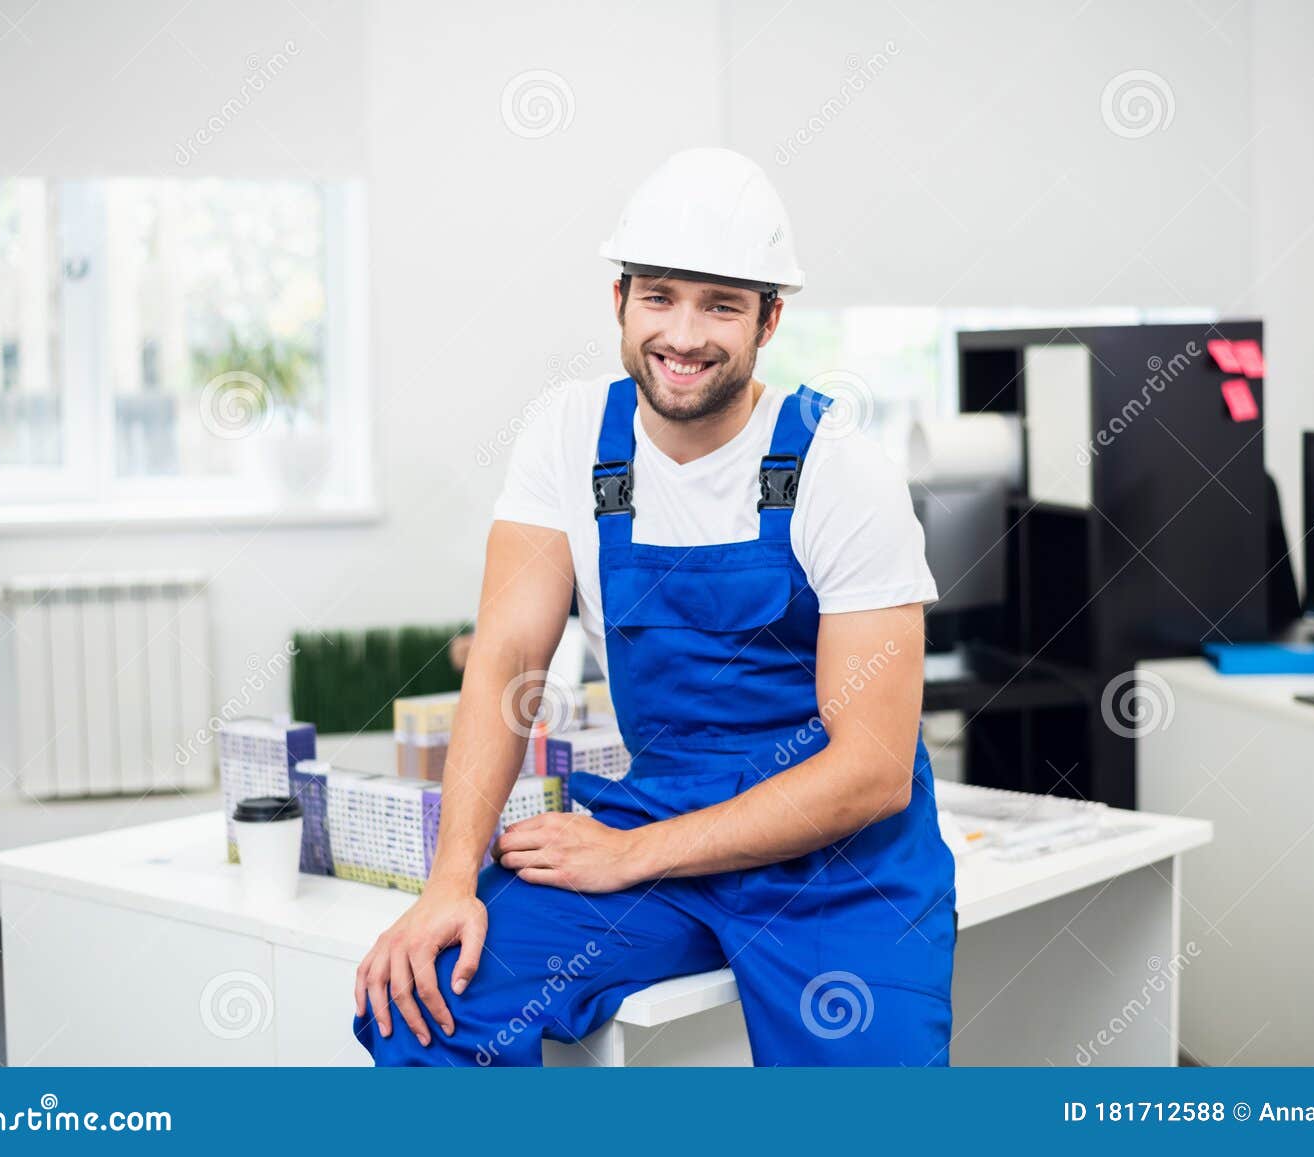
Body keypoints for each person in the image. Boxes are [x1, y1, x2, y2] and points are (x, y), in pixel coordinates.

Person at [353, 147, 955, 1066]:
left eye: (721, 304)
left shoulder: (841, 472)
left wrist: (636, 854)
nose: (685, 333)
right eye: (661, 296)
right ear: (620, 301)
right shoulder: (566, 439)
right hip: (661, 806)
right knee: (428, 999)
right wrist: (450, 879)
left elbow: (871, 770)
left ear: (770, 319)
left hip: (839, 860)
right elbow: (510, 657)